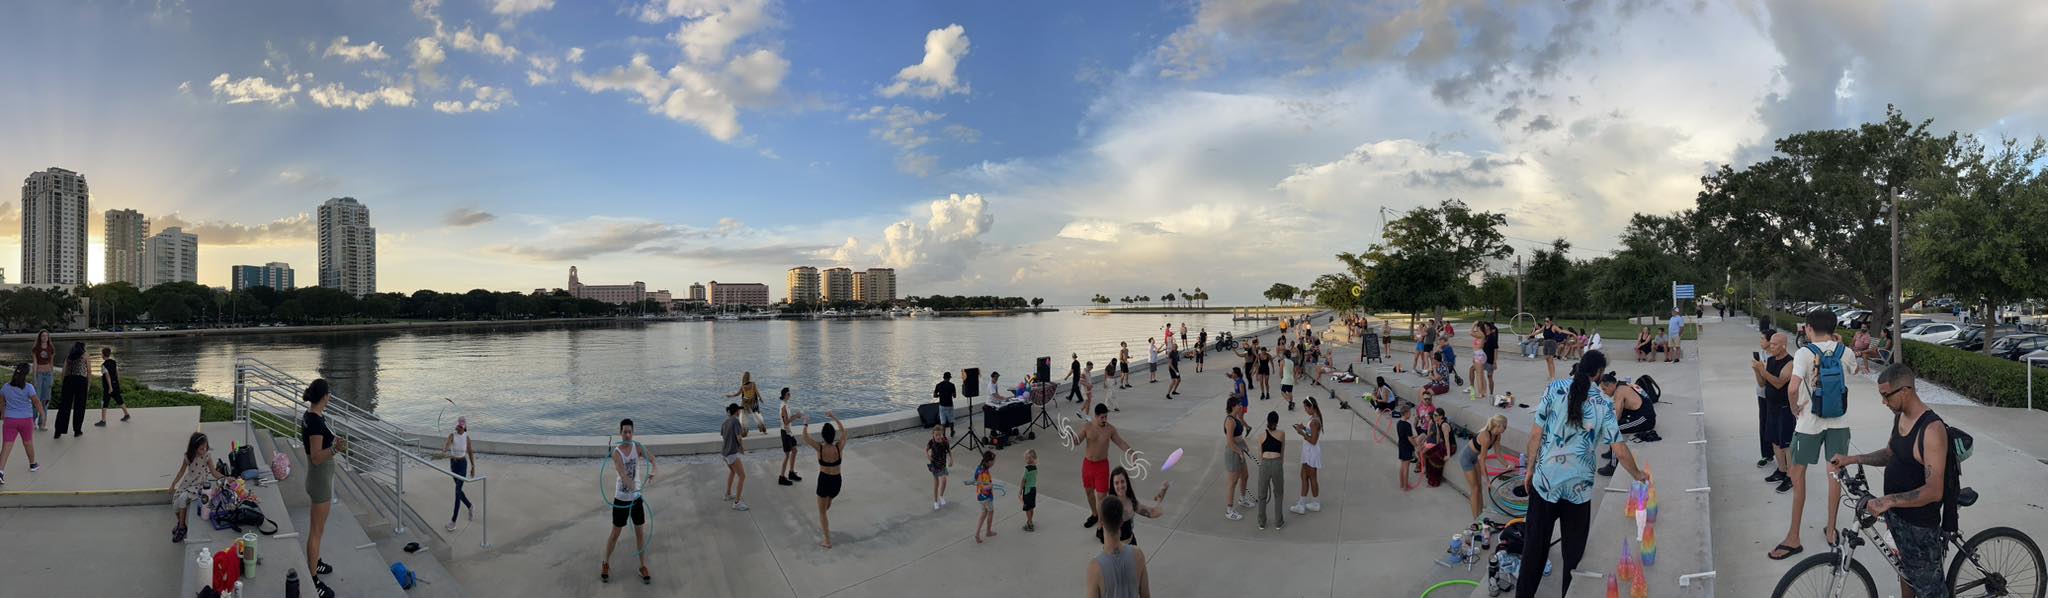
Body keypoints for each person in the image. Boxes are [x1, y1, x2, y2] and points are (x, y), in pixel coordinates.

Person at [1516, 351, 1649, 598]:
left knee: (1533, 550)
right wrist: (1638, 474)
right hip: (1578, 490)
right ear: (1599, 373)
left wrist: (1531, 468)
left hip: (1546, 482)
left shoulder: (1554, 388)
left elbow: (1536, 435)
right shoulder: (1603, 404)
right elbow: (1619, 449)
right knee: (1573, 557)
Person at [1827, 364, 1955, 598]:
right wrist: (1853, 459)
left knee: (1931, 591)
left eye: (1886, 395)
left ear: (1905, 390)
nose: (1883, 402)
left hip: (1920, 527)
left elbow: (1934, 490)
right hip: (1897, 517)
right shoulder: (1900, 418)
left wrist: (1888, 500)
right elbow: (1890, 453)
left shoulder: (1932, 429)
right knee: (1904, 571)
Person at [1770, 310, 1854, 561]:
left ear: (1808, 328)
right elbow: (1856, 370)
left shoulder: (1805, 353)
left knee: (1797, 475)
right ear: (1833, 328)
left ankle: (1794, 537)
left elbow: (1793, 387)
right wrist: (1838, 344)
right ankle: (1831, 530)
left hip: (1808, 424)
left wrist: (1795, 408)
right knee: (1834, 477)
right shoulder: (1844, 351)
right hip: (1839, 423)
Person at [302, 379, 347, 595]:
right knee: (317, 532)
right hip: (319, 482)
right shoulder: (316, 423)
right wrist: (335, 449)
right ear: (324, 396)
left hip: (317, 480)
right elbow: (317, 457)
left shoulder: (313, 416)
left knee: (317, 529)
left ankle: (315, 562)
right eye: (329, 393)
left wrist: (332, 442)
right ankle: (313, 580)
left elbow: (318, 449)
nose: (330, 397)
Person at [602, 418, 656, 583]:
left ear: (633, 433)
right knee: (615, 533)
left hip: (637, 499)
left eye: (629, 432)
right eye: (624, 431)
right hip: (622, 499)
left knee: (640, 532)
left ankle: (642, 566)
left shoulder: (637, 447)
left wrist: (654, 470)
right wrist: (634, 487)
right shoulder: (616, 452)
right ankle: (606, 563)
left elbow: (652, 459)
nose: (627, 434)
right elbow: (623, 474)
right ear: (620, 433)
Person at [1076, 403, 1133, 530]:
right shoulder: (1087, 427)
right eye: (1102, 417)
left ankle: (1101, 525)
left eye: (1106, 417)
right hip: (1088, 465)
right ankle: (1094, 514)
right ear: (1095, 416)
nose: (1105, 420)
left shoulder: (1110, 429)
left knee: (1101, 498)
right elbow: (1077, 440)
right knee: (1089, 492)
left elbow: (1120, 442)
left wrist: (1131, 452)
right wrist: (1070, 438)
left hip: (1102, 467)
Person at [1085, 495, 1152, 598]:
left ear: (1101, 522)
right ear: (1121, 521)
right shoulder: (1138, 555)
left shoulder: (1095, 568)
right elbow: (1146, 596)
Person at [1755, 331, 1796, 493]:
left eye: (1774, 344)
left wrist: (1763, 371)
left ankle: (1791, 476)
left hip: (1784, 409)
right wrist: (1757, 371)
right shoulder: (1770, 360)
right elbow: (1763, 383)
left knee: (1786, 444)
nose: (1771, 347)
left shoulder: (1790, 363)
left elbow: (1779, 383)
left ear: (1783, 346)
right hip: (1771, 406)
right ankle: (1781, 470)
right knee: (1774, 441)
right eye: (1770, 343)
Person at [1596, 373, 1658, 476]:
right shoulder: (1623, 385)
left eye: (1604, 389)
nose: (1604, 393)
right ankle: (1612, 451)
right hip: (1638, 414)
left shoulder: (1620, 392)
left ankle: (1613, 465)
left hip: (1644, 419)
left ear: (1611, 386)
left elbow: (1616, 416)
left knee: (1613, 429)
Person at [801, 410, 846, 548]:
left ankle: (827, 541)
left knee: (821, 513)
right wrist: (834, 417)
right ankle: (826, 511)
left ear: (823, 436)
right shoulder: (839, 447)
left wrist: (806, 423)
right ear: (833, 436)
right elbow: (844, 432)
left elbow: (805, 437)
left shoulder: (819, 448)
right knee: (827, 504)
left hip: (824, 480)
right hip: (837, 482)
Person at [168, 431, 224, 543]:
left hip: (200, 483)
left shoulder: (207, 456)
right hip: (188, 482)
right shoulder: (188, 457)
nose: (204, 451)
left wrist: (226, 477)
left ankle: (182, 528)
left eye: (205, 447)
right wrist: (173, 483)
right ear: (194, 448)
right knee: (175, 504)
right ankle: (181, 523)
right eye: (201, 448)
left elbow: (213, 472)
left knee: (183, 498)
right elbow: (181, 471)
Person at [1099, 466, 1168, 545]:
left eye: (1122, 481)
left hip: (1131, 544)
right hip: (1117, 549)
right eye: (1116, 483)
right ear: (1112, 485)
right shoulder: (1109, 506)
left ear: (1127, 482)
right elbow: (1104, 531)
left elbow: (1152, 513)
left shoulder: (1132, 502)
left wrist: (1163, 491)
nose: (1120, 486)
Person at [0, 363, 45, 485]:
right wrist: (42, 414)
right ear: (26, 375)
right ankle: (33, 464)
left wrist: (3, 414)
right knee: (28, 443)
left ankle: (0, 472)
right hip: (25, 420)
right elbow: (36, 402)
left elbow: (1, 402)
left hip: (10, 420)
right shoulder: (28, 387)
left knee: (6, 446)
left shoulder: (5, 387)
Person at [442, 417, 476, 531]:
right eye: (458, 426)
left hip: (462, 465)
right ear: (456, 426)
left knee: (457, 492)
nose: (460, 428)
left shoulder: (467, 438)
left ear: (465, 427)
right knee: (459, 490)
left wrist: (473, 467)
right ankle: (470, 506)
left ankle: (453, 521)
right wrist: (444, 450)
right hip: (453, 465)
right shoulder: (452, 435)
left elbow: (470, 452)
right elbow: (447, 445)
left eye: (462, 427)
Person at [1253, 410, 1287, 530]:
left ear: (1267, 421)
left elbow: (1260, 454)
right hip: (1277, 463)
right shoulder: (1282, 434)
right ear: (1277, 422)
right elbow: (1282, 451)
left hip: (1265, 464)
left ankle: (1261, 522)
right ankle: (1278, 522)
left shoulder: (1261, 436)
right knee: (1278, 493)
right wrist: (1279, 464)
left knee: (1262, 495)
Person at [1290, 397, 1323, 514]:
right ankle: (1305, 502)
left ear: (1311, 407)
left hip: (1311, 452)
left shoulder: (1314, 422)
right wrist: (1305, 428)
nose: (1305, 410)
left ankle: (1310, 503)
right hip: (1310, 452)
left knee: (1310, 477)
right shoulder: (1315, 419)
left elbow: (1313, 440)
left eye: (1305, 407)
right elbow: (1313, 434)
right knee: (1304, 476)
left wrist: (1301, 433)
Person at [1221, 396, 1250, 520]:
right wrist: (1239, 452)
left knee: (1245, 475)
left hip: (1239, 451)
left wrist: (1245, 446)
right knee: (1233, 482)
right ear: (1233, 406)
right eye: (1239, 404)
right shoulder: (1230, 421)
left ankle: (1243, 499)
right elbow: (1230, 441)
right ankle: (1229, 510)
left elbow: (1238, 437)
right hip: (1233, 453)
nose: (1241, 406)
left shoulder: (1237, 417)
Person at [52, 343, 88, 439]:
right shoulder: (85, 355)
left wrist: (63, 382)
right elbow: (89, 371)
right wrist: (88, 385)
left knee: (64, 406)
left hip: (68, 380)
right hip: (81, 380)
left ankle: (58, 431)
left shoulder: (68, 356)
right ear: (83, 348)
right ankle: (77, 430)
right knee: (79, 406)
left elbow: (63, 371)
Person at [720, 403, 750, 511]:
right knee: (742, 476)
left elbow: (724, 436)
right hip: (731, 453)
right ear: (736, 411)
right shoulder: (735, 421)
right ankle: (737, 502)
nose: (740, 412)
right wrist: (741, 448)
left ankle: (728, 494)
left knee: (732, 472)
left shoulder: (725, 422)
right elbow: (738, 437)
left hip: (724, 453)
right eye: (739, 410)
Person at [95, 347, 130, 425]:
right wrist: (118, 383)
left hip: (108, 387)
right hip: (115, 384)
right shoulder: (114, 362)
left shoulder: (104, 365)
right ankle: (126, 414)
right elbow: (117, 373)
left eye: (101, 354)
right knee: (119, 399)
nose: (101, 355)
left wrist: (110, 387)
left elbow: (107, 376)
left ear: (103, 355)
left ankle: (103, 421)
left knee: (104, 402)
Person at [778, 388, 802, 486]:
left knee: (795, 450)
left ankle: (791, 472)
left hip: (789, 432)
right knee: (787, 455)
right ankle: (781, 477)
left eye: (789, 393)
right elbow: (786, 422)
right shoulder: (783, 407)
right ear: (784, 395)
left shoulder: (786, 405)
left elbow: (788, 420)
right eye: (788, 394)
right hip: (785, 432)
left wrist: (796, 416)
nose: (789, 395)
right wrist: (796, 416)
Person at [1420, 409, 1451, 487]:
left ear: (1441, 416)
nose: (1433, 416)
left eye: (1436, 415)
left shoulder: (1444, 425)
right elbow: (1438, 436)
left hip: (1450, 445)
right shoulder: (1437, 423)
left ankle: (1435, 482)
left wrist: (1448, 454)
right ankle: (1428, 474)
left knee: (1435, 458)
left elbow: (1447, 441)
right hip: (1442, 443)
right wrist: (1436, 446)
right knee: (1427, 453)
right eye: (1433, 415)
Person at [973, 450, 998, 543]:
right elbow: (983, 486)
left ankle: (977, 533)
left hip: (980, 496)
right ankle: (988, 531)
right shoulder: (983, 472)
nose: (994, 463)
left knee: (983, 513)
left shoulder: (979, 468)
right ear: (989, 462)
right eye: (993, 461)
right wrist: (990, 486)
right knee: (990, 512)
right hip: (986, 497)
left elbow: (978, 482)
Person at [30, 331, 54, 429]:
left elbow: (52, 363)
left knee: (46, 399)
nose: (44, 337)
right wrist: (34, 378)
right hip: (39, 375)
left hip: (48, 375)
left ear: (48, 337)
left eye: (46, 336)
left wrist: (52, 377)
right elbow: (34, 363)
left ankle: (42, 422)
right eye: (43, 336)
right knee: (37, 399)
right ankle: (33, 421)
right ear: (40, 337)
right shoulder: (36, 349)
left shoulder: (51, 348)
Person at [927, 425, 951, 510]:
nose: (938, 436)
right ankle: (935, 501)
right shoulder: (931, 442)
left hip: (943, 464)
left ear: (942, 434)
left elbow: (949, 450)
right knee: (936, 483)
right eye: (936, 435)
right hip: (934, 464)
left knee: (944, 480)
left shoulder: (945, 441)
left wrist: (951, 459)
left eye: (940, 434)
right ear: (933, 434)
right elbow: (926, 450)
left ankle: (941, 496)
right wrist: (928, 456)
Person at [1395, 405, 1418, 491]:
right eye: (1410, 413)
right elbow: (1409, 438)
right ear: (1406, 413)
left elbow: (1403, 435)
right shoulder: (1407, 425)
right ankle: (1405, 486)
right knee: (1406, 467)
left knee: (1402, 465)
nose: (1410, 415)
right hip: (1407, 447)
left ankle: (1401, 483)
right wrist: (1416, 445)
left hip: (1401, 445)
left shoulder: (1398, 423)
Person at [933, 372, 958, 436]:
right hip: (949, 405)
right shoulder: (952, 385)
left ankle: (943, 435)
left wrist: (940, 395)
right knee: (951, 419)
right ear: (949, 378)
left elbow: (934, 395)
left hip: (942, 406)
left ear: (943, 377)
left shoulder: (938, 385)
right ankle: (952, 431)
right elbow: (954, 396)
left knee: (943, 421)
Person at [1020, 448, 1039, 532]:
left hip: (1027, 489)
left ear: (1032, 458)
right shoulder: (1035, 467)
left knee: (1027, 507)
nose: (1026, 459)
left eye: (1028, 458)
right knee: (1031, 507)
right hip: (1033, 489)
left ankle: (1030, 524)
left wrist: (1020, 489)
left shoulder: (1026, 469)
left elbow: (1023, 480)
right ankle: (1030, 520)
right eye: (1026, 458)